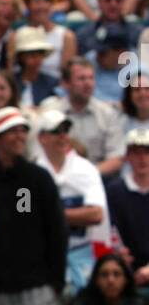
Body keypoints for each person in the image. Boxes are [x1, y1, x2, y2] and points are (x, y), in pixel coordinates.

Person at [0, 106, 67, 305]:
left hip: (36, 288)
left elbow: (57, 230)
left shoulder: (38, 178)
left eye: (23, 130)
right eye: (12, 131)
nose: (20, 136)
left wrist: (55, 282)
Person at [35, 108, 111, 292]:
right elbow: (22, 214)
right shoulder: (29, 171)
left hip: (81, 255)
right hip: (43, 257)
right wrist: (76, 215)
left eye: (65, 131)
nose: (62, 137)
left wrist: (48, 214)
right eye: (55, 132)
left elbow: (96, 214)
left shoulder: (87, 170)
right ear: (42, 137)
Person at [40, 57, 126, 177]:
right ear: (65, 83)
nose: (88, 83)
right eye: (81, 78)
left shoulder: (108, 114)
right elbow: (39, 153)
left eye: (91, 78)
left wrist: (87, 175)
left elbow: (117, 158)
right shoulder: (51, 113)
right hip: (56, 176)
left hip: (97, 177)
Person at [106, 128, 149, 282]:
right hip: (126, 269)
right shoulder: (115, 190)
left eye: (146, 152)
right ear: (127, 157)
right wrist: (119, 254)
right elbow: (110, 229)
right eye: (136, 153)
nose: (142, 159)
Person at [68, 252, 149, 305]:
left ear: (126, 279)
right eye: (104, 274)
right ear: (96, 280)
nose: (111, 280)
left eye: (116, 274)